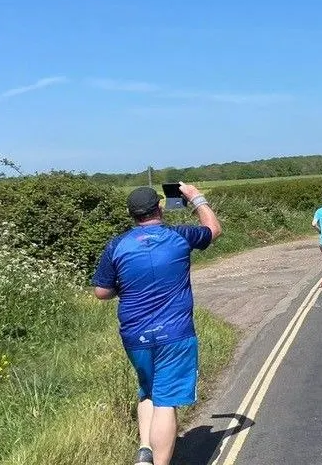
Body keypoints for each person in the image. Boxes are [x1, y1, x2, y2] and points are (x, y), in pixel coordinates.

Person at [92, 183, 221, 465]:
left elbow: (101, 292)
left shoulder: (117, 245)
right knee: (166, 401)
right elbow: (213, 229)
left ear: (132, 214)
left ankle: (145, 453)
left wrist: (123, 288)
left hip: (135, 334)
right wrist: (196, 197)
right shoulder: (179, 235)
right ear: (159, 208)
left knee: (148, 390)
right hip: (175, 333)